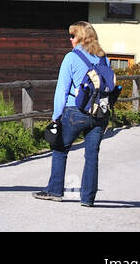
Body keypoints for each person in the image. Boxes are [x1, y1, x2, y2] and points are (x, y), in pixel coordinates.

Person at [33, 20, 113, 207]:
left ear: (80, 38)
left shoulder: (71, 58)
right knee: (92, 155)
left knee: (60, 149)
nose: (70, 39)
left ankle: (55, 191)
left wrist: (56, 116)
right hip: (99, 113)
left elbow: (62, 89)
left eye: (72, 35)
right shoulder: (104, 58)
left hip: (74, 111)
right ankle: (88, 198)